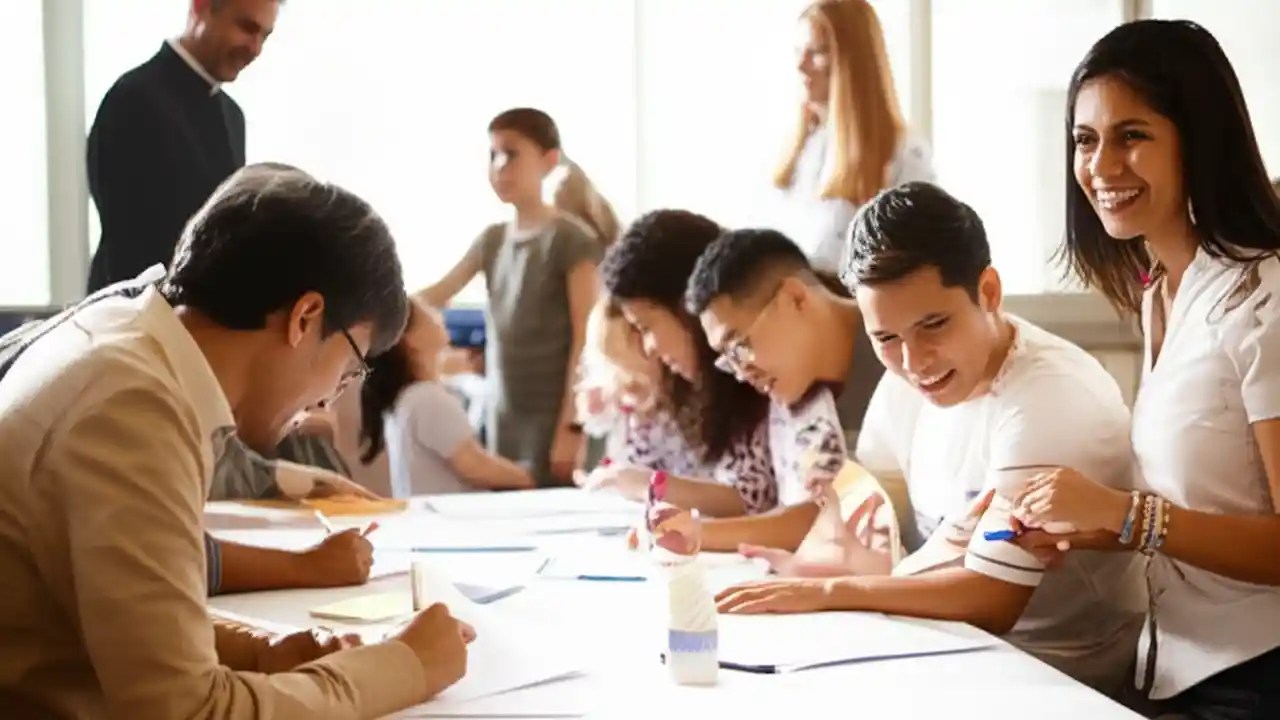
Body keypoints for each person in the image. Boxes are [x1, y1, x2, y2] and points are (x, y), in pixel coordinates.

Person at [0, 163, 473, 717]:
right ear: (305, 317)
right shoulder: (136, 409)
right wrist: (407, 666)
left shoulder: (123, 342)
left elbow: (115, 607)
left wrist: (263, 650)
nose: (327, 398)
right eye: (349, 367)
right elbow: (189, 712)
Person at [713, 182, 1145, 699]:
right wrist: (838, 565)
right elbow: (857, 520)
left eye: (934, 324)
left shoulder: (1048, 397)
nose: (914, 362)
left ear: (988, 292)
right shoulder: (907, 384)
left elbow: (992, 597)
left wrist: (830, 590)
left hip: (1057, 676)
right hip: (945, 652)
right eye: (886, 338)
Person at [1003, 20, 1280, 718]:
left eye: (1132, 135)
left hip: (1255, 676)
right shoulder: (1161, 290)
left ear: (1199, 138)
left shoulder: (1265, 298)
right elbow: (1205, 505)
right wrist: (1079, 523)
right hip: (1170, 669)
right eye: (1086, 140)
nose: (1101, 166)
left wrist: (1127, 516)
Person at [418, 108, 603, 487]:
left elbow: (588, 337)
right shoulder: (492, 241)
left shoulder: (572, 240)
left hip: (555, 420)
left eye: (512, 153)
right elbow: (436, 294)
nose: (500, 166)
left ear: (549, 161)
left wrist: (571, 428)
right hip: (506, 420)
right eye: (493, 155)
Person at [579, 210, 778, 520]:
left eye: (646, 326)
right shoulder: (698, 391)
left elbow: (753, 497)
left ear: (686, 306)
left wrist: (649, 484)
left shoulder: (760, 374)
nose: (649, 347)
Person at [684, 227, 873, 551]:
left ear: (795, 298)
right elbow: (807, 512)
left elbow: (811, 523)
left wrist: (690, 534)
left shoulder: (898, 346)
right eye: (729, 360)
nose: (742, 375)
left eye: (740, 346)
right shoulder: (799, 393)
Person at [86, 0, 281, 293]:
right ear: (201, 7)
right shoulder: (134, 99)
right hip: (138, 319)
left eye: (264, 36)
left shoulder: (232, 115)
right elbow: (129, 244)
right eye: (246, 27)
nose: (255, 49)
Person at [773, 0, 934, 274]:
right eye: (799, 51)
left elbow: (915, 266)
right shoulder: (801, 148)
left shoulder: (903, 155)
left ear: (854, 62)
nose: (801, 66)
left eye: (817, 52)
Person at [360, 297, 535, 496]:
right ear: (408, 340)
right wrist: (532, 478)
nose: (439, 315)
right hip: (452, 519)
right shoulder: (428, 399)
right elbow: (475, 466)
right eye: (428, 315)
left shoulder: (407, 398)